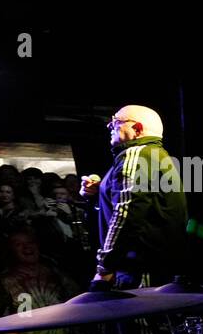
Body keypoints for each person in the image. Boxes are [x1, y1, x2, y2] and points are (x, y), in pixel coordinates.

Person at [80, 104, 188, 287]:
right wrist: (100, 193)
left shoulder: (136, 155)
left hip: (137, 269)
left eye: (116, 122)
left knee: (142, 315)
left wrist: (105, 266)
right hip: (153, 268)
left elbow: (126, 213)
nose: (110, 127)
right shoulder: (155, 155)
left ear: (137, 128)